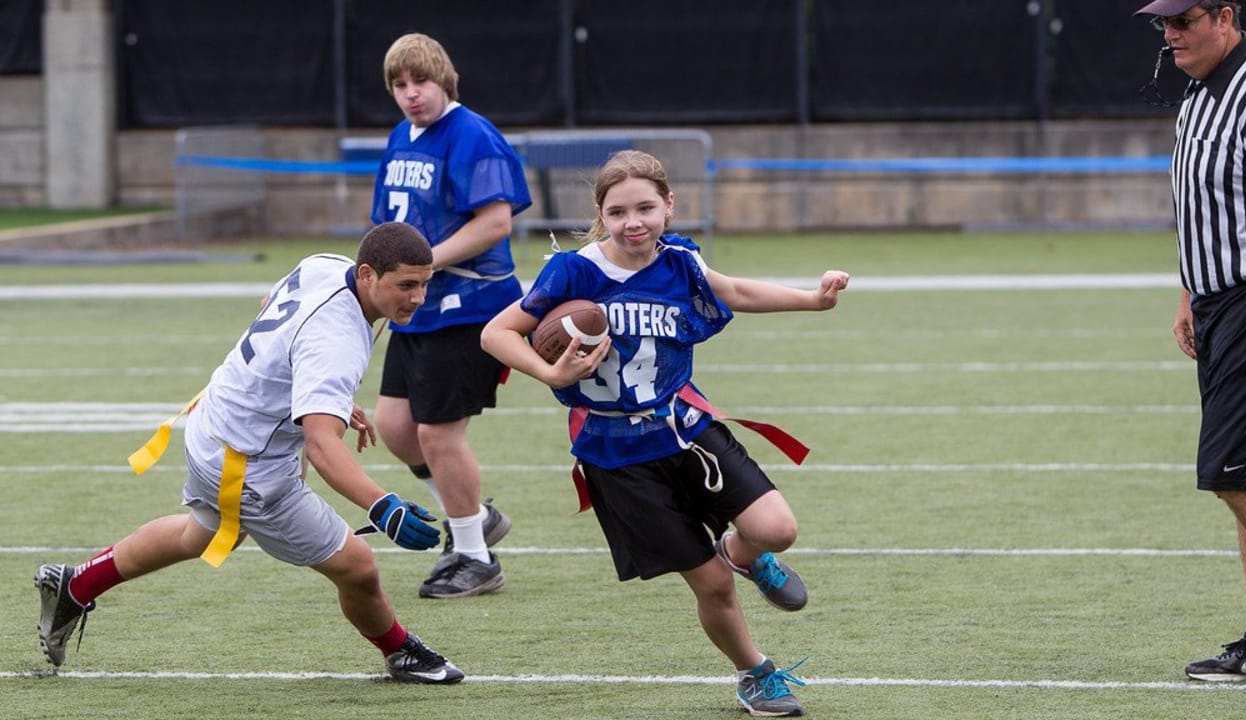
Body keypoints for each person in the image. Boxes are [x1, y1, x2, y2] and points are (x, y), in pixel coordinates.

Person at [481, 150, 849, 717]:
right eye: (619, 210)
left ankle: (743, 552)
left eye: (647, 207)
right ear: (600, 213)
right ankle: (754, 673)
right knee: (713, 586)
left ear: (669, 205)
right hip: (617, 454)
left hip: (685, 427)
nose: (635, 222)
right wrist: (550, 371)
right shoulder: (574, 272)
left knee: (777, 529)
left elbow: (735, 293)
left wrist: (813, 300)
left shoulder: (680, 260)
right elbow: (497, 333)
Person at [34, 222, 465, 684]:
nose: (418, 297)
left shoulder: (324, 264)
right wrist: (384, 507)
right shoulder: (335, 339)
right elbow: (321, 444)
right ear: (366, 275)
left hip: (214, 421)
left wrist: (321, 395)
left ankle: (76, 585)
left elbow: (269, 311)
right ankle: (400, 651)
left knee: (199, 534)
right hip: (247, 465)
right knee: (358, 567)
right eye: (406, 285)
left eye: (425, 283)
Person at [1136, 0, 1246, 682]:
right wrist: (1190, 290)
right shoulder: (1198, 95)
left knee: (1228, 469)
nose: (1170, 35)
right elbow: (1205, 204)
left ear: (1225, 16)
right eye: (1162, 24)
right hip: (1219, 303)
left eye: (1183, 21)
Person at [369, 32, 531, 599]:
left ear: (445, 80)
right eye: (400, 84)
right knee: (394, 427)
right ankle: (474, 519)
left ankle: (474, 556)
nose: (412, 94)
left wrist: (423, 265)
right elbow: (389, 230)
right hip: (418, 307)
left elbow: (494, 223)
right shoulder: (400, 136)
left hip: (469, 307)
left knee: (438, 433)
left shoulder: (472, 135)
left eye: (422, 82)